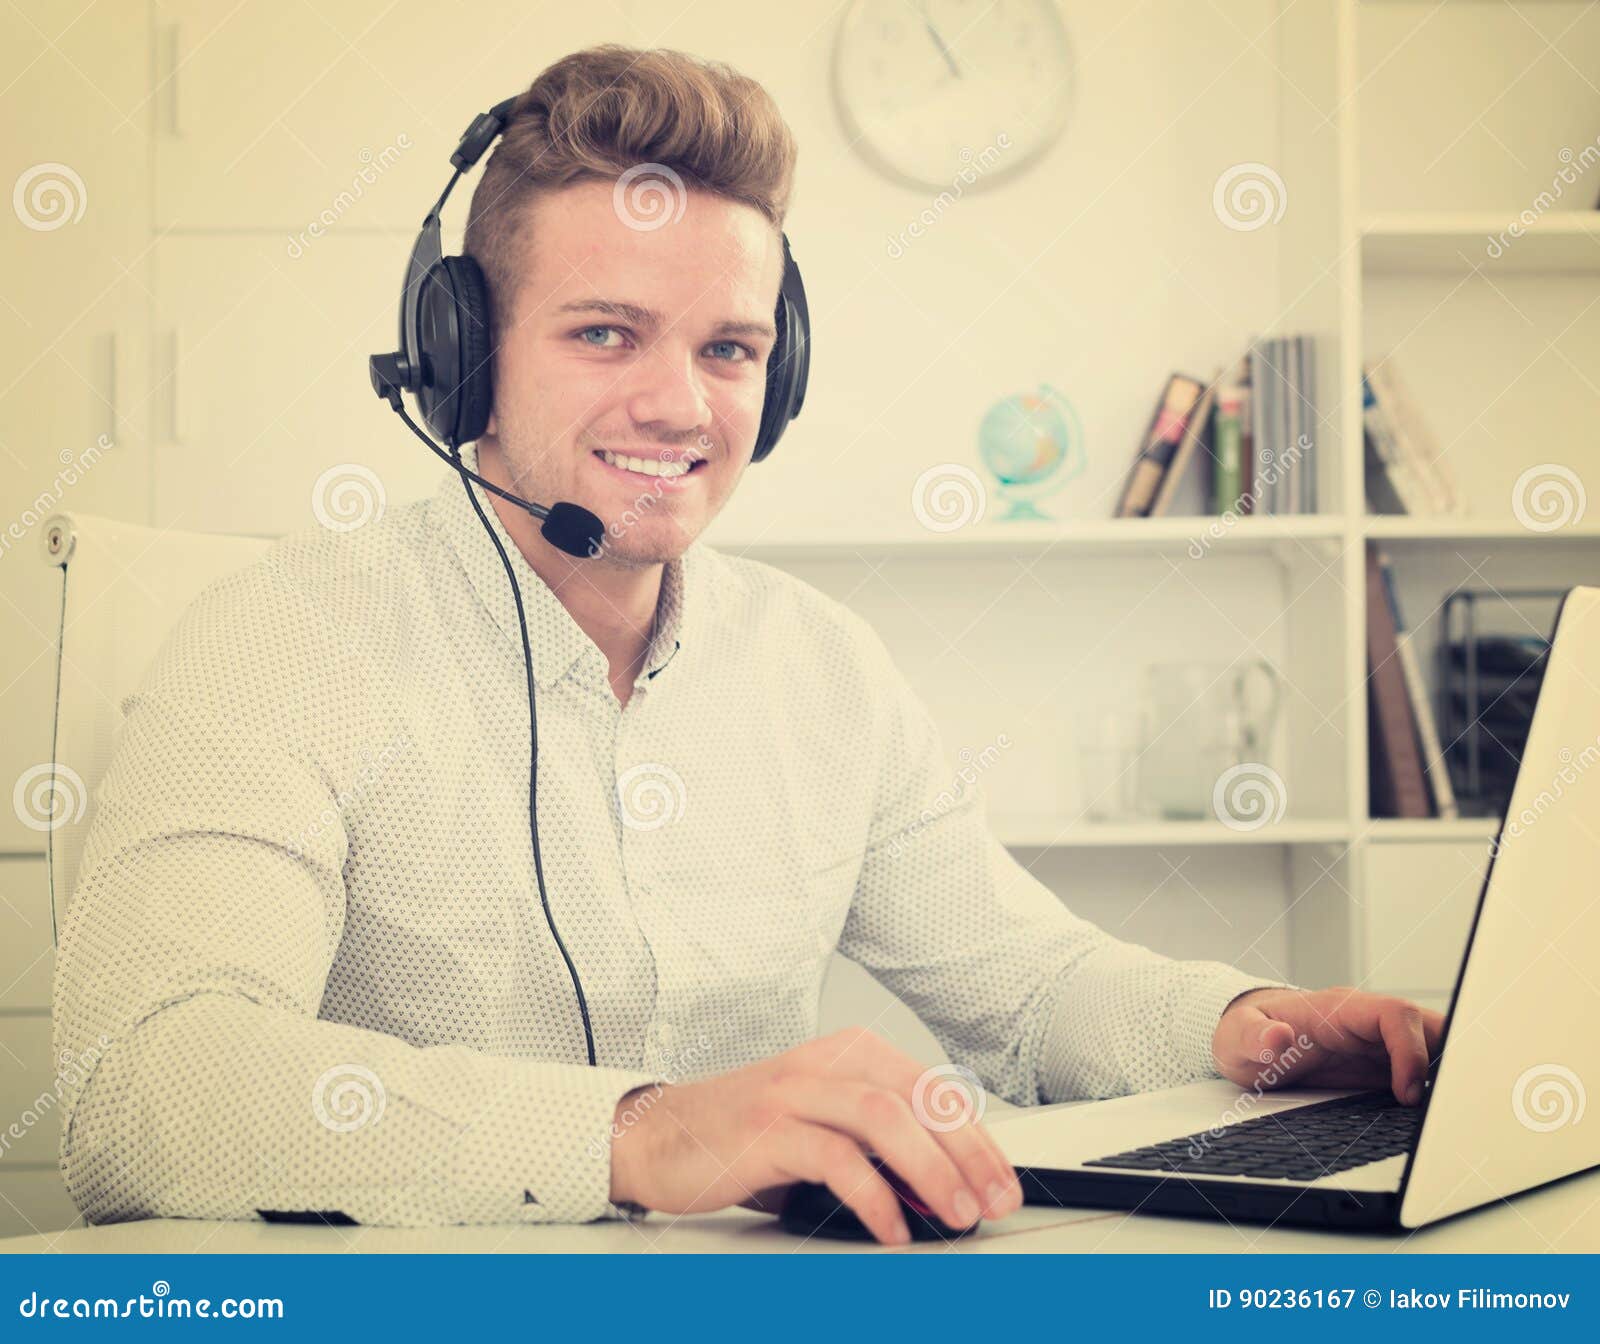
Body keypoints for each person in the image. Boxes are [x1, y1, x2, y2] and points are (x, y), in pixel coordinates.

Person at [53, 44, 1441, 1247]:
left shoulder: (820, 666)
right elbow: (144, 1088)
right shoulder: (278, 641)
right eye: (606, 333)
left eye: (728, 349)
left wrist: (1247, 1024)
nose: (679, 404)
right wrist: (637, 1137)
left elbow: (1026, 982)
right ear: (460, 351)